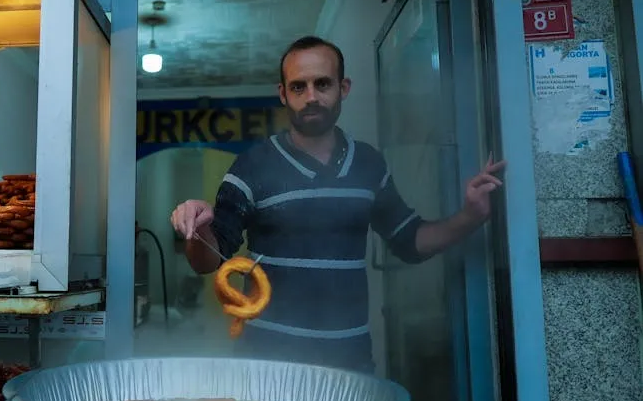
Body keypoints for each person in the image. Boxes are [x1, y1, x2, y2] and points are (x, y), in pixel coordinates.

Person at [169, 36, 506, 373]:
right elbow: (208, 260)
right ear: (283, 94)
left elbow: (410, 241)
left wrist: (470, 216)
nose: (311, 96)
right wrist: (196, 231)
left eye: (323, 84)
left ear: (343, 87)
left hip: (349, 364)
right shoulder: (252, 166)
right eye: (298, 87)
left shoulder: (369, 165)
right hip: (266, 366)